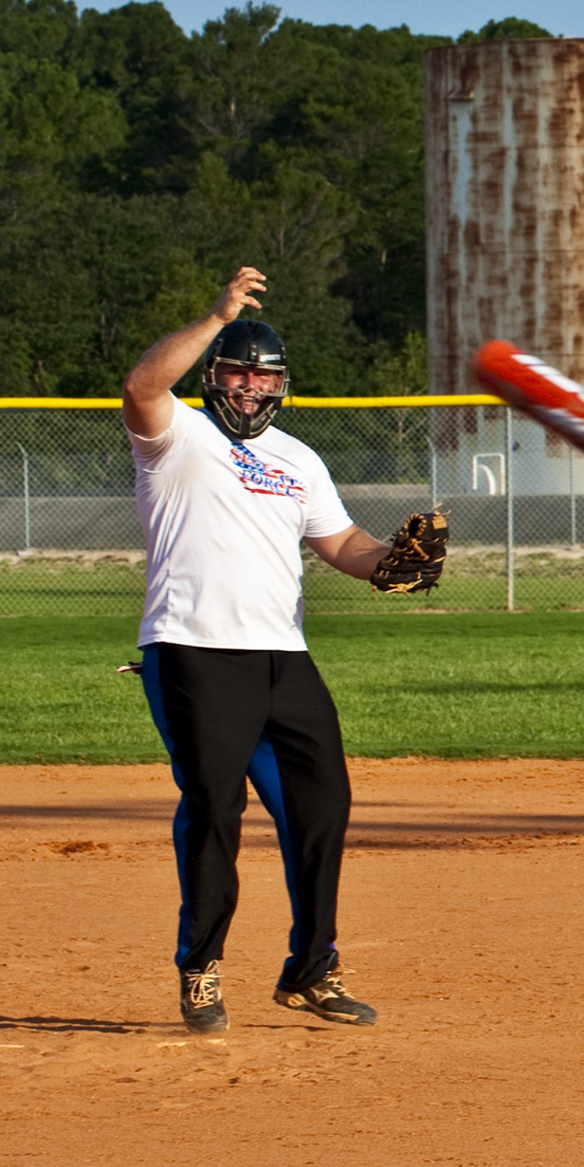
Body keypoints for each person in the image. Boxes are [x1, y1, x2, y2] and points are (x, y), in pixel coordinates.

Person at [121, 267, 405, 1034]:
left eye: (264, 376)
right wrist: (216, 314)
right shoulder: (176, 435)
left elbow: (342, 542)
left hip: (283, 655)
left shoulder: (298, 459)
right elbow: (143, 383)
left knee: (323, 807)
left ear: (282, 386)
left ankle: (312, 969)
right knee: (217, 807)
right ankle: (201, 968)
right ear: (214, 374)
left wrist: (394, 562)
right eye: (238, 373)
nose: (250, 388)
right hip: (193, 648)